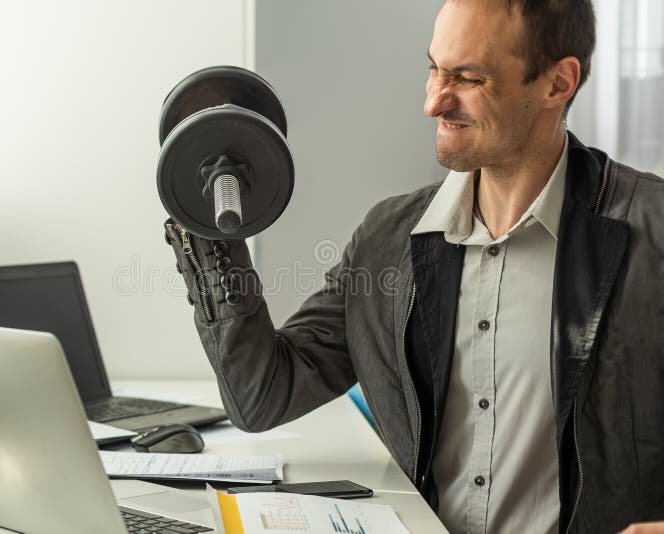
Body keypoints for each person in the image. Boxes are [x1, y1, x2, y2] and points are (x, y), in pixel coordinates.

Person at [164, 1, 664, 532]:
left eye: (468, 77)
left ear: (558, 83)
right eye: (434, 68)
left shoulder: (652, 236)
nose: (433, 101)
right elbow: (262, 397)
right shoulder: (388, 239)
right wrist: (209, 228)